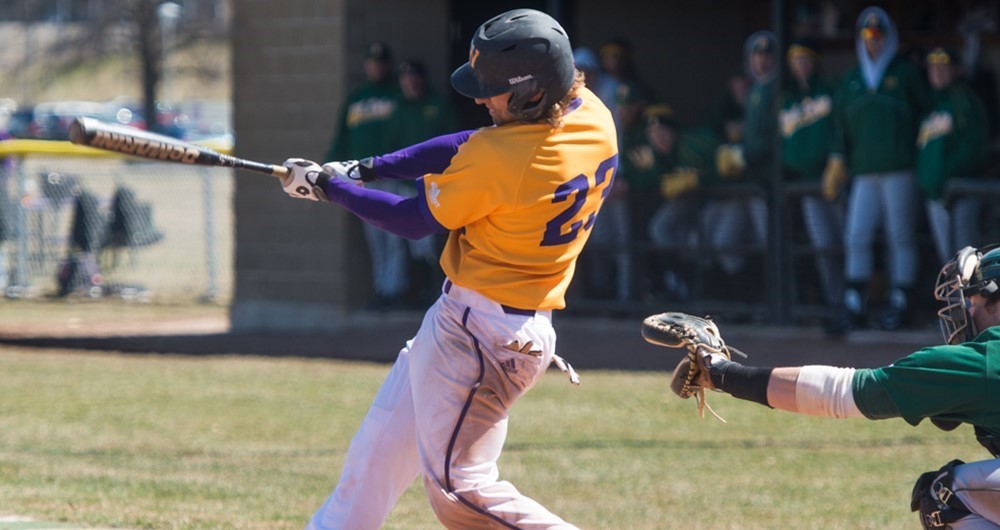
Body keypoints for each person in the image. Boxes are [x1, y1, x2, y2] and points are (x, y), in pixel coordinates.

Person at [279, 8, 617, 529]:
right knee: (378, 451)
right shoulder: (588, 113)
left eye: (493, 90)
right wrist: (367, 167)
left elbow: (413, 219)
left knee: (460, 489)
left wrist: (331, 189)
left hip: (483, 335)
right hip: (481, 321)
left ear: (530, 93)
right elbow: (466, 145)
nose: (481, 98)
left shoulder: (510, 160)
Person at [671, 243, 1000, 528]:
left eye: (973, 300)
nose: (965, 311)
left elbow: (841, 392)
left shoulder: (984, 359)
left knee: (944, 496)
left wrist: (719, 371)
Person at [826, 6, 930, 332]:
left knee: (900, 235)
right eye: (868, 36)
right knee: (856, 235)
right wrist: (837, 159)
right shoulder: (852, 78)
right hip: (864, 172)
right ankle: (855, 302)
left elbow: (927, 118)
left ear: (889, 37)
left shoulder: (905, 73)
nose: (873, 41)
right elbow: (840, 128)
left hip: (900, 169)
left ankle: (902, 300)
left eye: (879, 35)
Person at [324, 41, 407, 309]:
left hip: (391, 175)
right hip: (361, 178)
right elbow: (342, 136)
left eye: (381, 63)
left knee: (395, 236)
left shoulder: (398, 95)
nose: (376, 67)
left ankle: (395, 291)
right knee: (375, 238)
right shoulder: (356, 98)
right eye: (372, 62)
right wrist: (328, 167)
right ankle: (382, 290)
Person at [708, 31, 777, 301]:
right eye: (758, 55)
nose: (762, 61)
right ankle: (750, 299)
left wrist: (744, 155)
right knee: (725, 243)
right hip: (749, 185)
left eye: (768, 55)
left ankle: (779, 304)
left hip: (769, 185)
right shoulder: (756, 90)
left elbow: (772, 139)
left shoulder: (776, 88)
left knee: (771, 247)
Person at [779, 38, 844, 323]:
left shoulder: (830, 90)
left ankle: (854, 302)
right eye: (796, 59)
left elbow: (841, 128)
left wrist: (837, 158)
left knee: (847, 242)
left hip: (836, 181)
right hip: (806, 185)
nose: (802, 64)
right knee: (823, 246)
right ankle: (834, 302)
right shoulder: (787, 99)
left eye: (806, 58)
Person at [390, 59, 460, 304]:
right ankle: (411, 294)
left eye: (414, 76)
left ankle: (434, 293)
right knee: (404, 244)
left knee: (430, 244)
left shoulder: (436, 106)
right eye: (405, 77)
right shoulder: (397, 108)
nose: (410, 81)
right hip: (403, 184)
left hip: (433, 186)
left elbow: (454, 146)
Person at [641, 104, 723, 301]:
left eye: (662, 132)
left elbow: (722, 172)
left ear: (673, 131)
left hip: (728, 200)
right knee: (667, 232)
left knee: (711, 244)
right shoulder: (658, 155)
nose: (658, 138)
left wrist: (698, 181)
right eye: (653, 134)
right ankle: (681, 289)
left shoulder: (691, 145)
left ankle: (717, 298)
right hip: (698, 206)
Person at [918, 47, 990, 267]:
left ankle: (972, 303)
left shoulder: (965, 100)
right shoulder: (929, 104)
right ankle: (958, 302)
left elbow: (975, 148)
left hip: (960, 191)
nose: (938, 73)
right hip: (935, 196)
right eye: (933, 68)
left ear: (955, 70)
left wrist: (946, 175)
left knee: (966, 261)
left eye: (943, 68)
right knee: (949, 264)